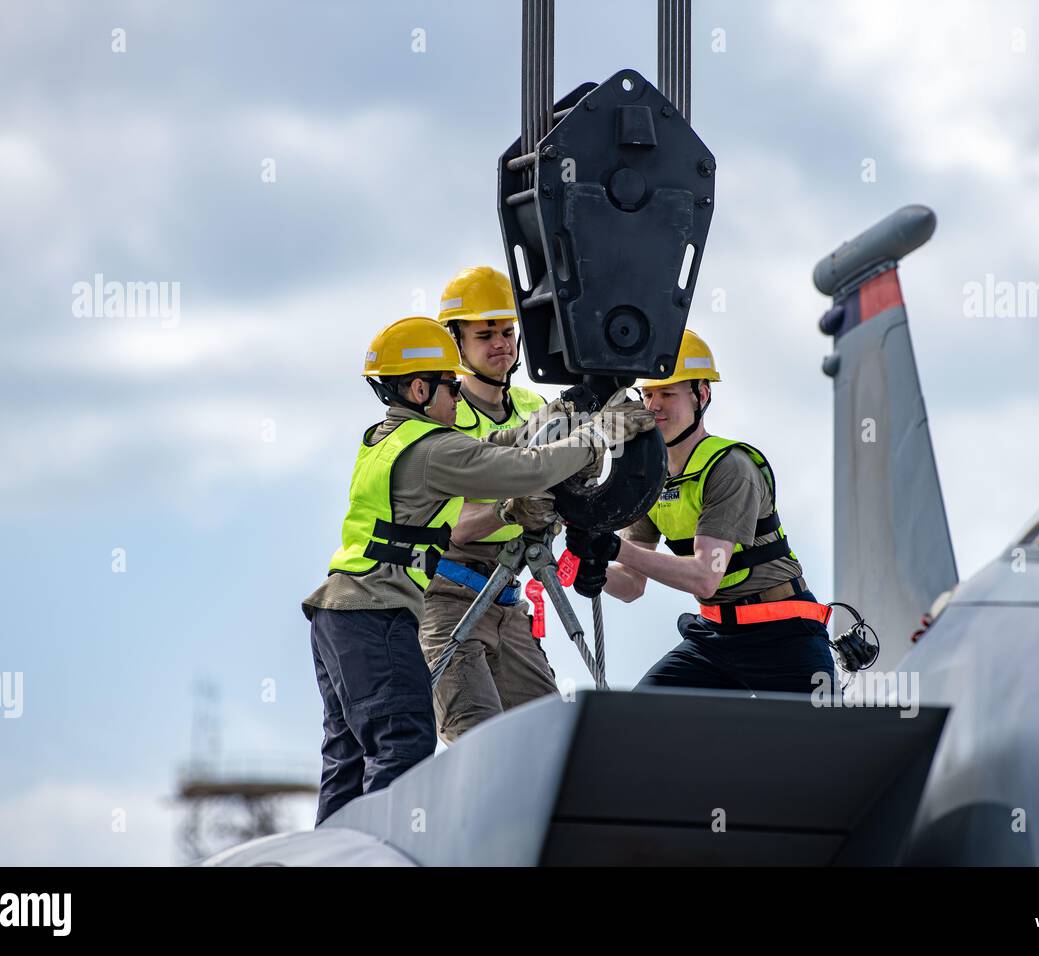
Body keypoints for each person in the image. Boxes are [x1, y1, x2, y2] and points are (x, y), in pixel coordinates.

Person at [302, 315, 653, 824]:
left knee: (349, 758)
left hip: (340, 614)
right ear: (420, 388)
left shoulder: (390, 438)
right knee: (403, 745)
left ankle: (331, 855)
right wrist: (603, 433)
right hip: (376, 616)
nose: (455, 397)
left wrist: (555, 416)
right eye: (448, 386)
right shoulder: (432, 449)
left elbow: (492, 452)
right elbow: (525, 470)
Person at [565, 329, 837, 694]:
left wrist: (612, 547)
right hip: (714, 638)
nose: (653, 405)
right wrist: (587, 566)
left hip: (784, 636)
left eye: (667, 393)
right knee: (638, 723)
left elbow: (704, 578)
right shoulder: (649, 478)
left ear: (701, 395)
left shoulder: (731, 467)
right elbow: (632, 584)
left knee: (811, 749)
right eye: (647, 394)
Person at [418, 266, 560, 742]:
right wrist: (509, 508)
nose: (502, 344)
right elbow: (451, 524)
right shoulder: (443, 417)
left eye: (507, 332)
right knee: (476, 742)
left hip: (507, 597)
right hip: (447, 597)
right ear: (455, 344)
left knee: (546, 738)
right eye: (485, 335)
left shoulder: (531, 406)